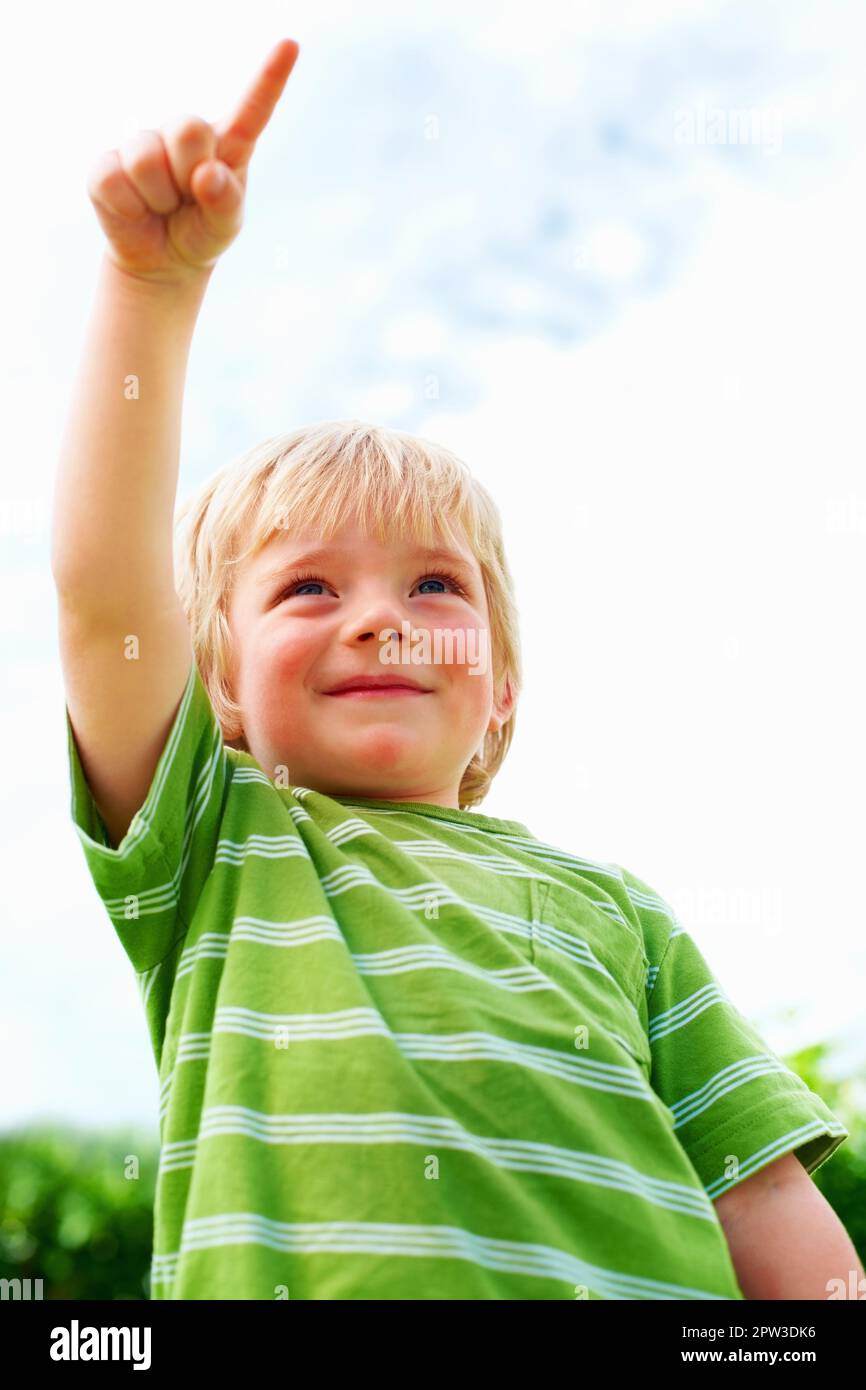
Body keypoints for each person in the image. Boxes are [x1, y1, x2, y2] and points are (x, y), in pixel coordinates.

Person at [52, 37, 862, 1301]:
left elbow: (769, 1211)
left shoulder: (620, 914)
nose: (381, 621)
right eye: (308, 588)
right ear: (216, 684)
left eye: (433, 584)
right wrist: (149, 289)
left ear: (499, 684)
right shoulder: (215, 851)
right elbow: (105, 605)